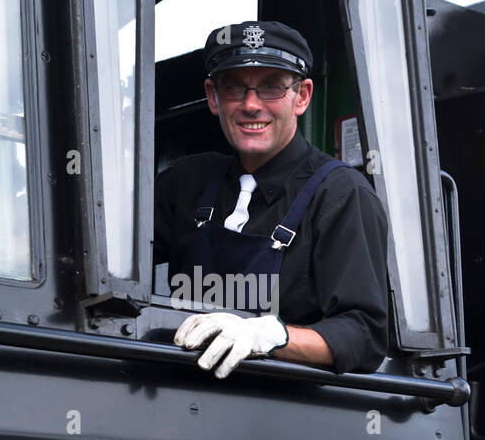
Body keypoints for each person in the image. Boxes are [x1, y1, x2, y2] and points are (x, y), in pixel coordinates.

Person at [154, 20, 390, 378]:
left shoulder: (341, 195)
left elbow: (363, 335)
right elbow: (115, 262)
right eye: (234, 87)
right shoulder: (184, 183)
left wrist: (267, 335)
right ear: (213, 97)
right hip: (178, 394)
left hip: (277, 415)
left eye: (271, 88)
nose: (251, 105)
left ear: (302, 96)